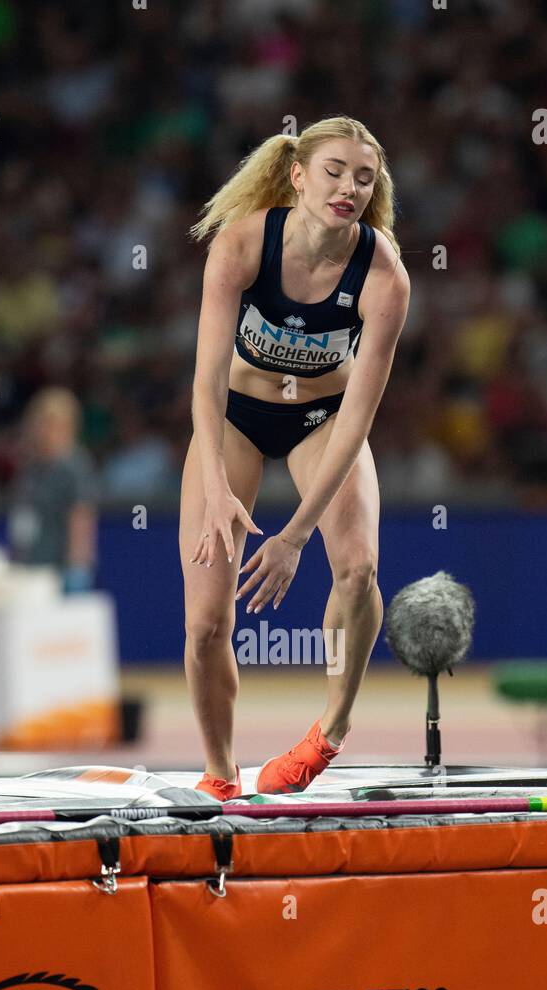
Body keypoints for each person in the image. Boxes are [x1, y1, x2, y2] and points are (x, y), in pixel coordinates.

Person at [183, 115, 410, 800]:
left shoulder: (385, 277)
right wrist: (217, 485)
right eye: (334, 171)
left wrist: (294, 537)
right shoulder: (242, 243)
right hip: (235, 419)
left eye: (363, 178)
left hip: (322, 420)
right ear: (297, 175)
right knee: (205, 623)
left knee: (358, 566)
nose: (348, 187)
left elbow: (357, 422)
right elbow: (202, 381)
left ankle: (328, 733)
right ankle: (220, 773)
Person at [8, 387, 99, 592]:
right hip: (29, 568)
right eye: (38, 424)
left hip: (59, 571)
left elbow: (81, 517)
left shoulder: (75, 467)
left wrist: (77, 566)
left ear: (67, 427)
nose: (42, 431)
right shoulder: (30, 467)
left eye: (50, 424)